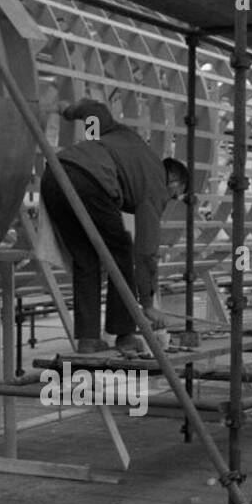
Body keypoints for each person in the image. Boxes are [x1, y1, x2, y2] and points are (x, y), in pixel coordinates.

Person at [39, 97, 185, 355]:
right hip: (91, 181)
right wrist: (148, 304)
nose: (170, 200)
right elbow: (146, 251)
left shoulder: (128, 139)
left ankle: (88, 339)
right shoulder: (156, 184)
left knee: (86, 258)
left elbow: (96, 111)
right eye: (175, 194)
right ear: (173, 180)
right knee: (122, 254)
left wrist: (68, 109)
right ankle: (124, 334)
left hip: (55, 175)